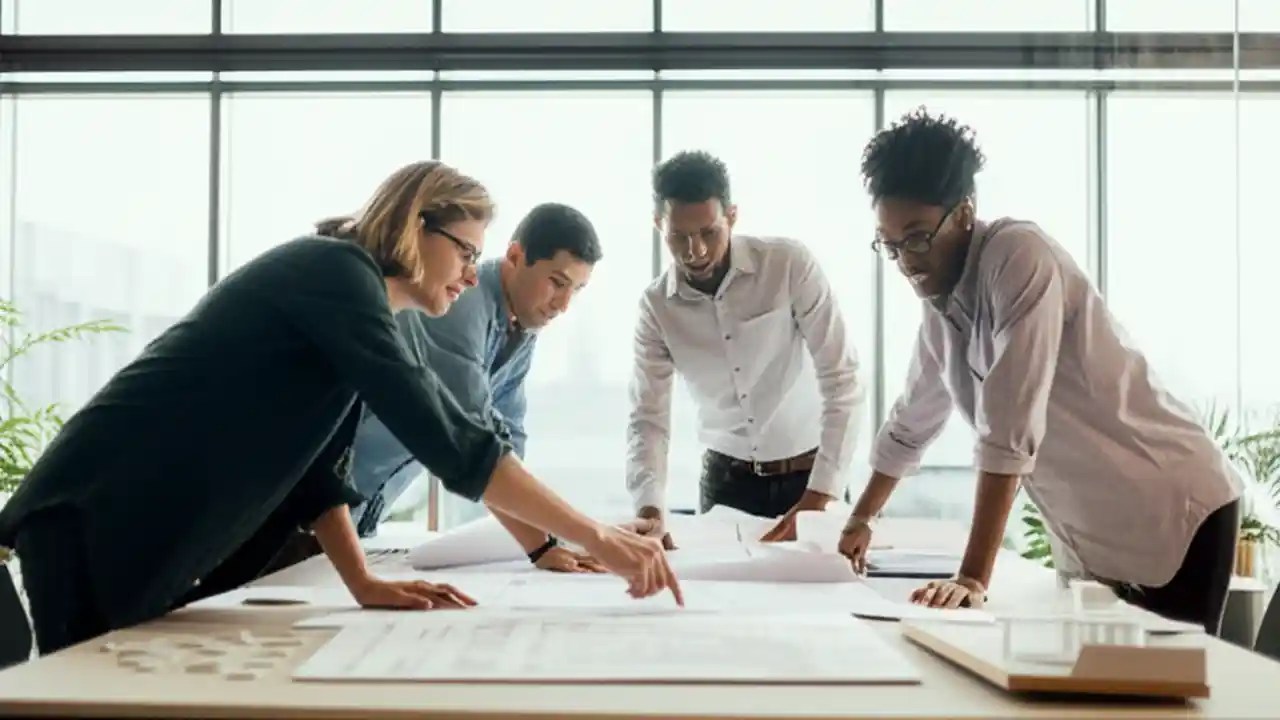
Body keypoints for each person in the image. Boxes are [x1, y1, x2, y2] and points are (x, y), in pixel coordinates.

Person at [0, 161, 681, 656]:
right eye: (465, 253)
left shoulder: (357, 300)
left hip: (136, 524)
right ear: (416, 225)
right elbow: (449, 437)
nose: (469, 275)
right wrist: (597, 537)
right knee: (85, 698)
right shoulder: (337, 274)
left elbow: (321, 467)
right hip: (97, 513)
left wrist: (361, 579)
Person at [837, 109, 1241, 634]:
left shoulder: (1018, 257)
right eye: (889, 245)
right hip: (1091, 536)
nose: (905, 261)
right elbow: (910, 423)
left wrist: (972, 577)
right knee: (1094, 685)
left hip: (1171, 511)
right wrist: (860, 519)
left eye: (916, 238)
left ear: (964, 213)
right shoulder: (940, 308)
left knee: (1170, 684)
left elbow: (1010, 420)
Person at [624, 150, 864, 547]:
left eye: (708, 233)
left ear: (731, 216)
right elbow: (648, 418)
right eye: (679, 237)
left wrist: (821, 495)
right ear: (658, 225)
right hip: (725, 488)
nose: (695, 251)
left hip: (813, 478)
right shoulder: (656, 306)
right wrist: (649, 509)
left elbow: (843, 379)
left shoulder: (788, 264)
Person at [350, 202, 605, 573]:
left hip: (359, 517)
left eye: (576, 290)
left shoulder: (521, 329)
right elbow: (474, 441)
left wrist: (559, 538)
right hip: (313, 507)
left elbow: (508, 443)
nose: (564, 305)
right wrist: (546, 545)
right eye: (557, 282)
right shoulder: (459, 302)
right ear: (515, 256)